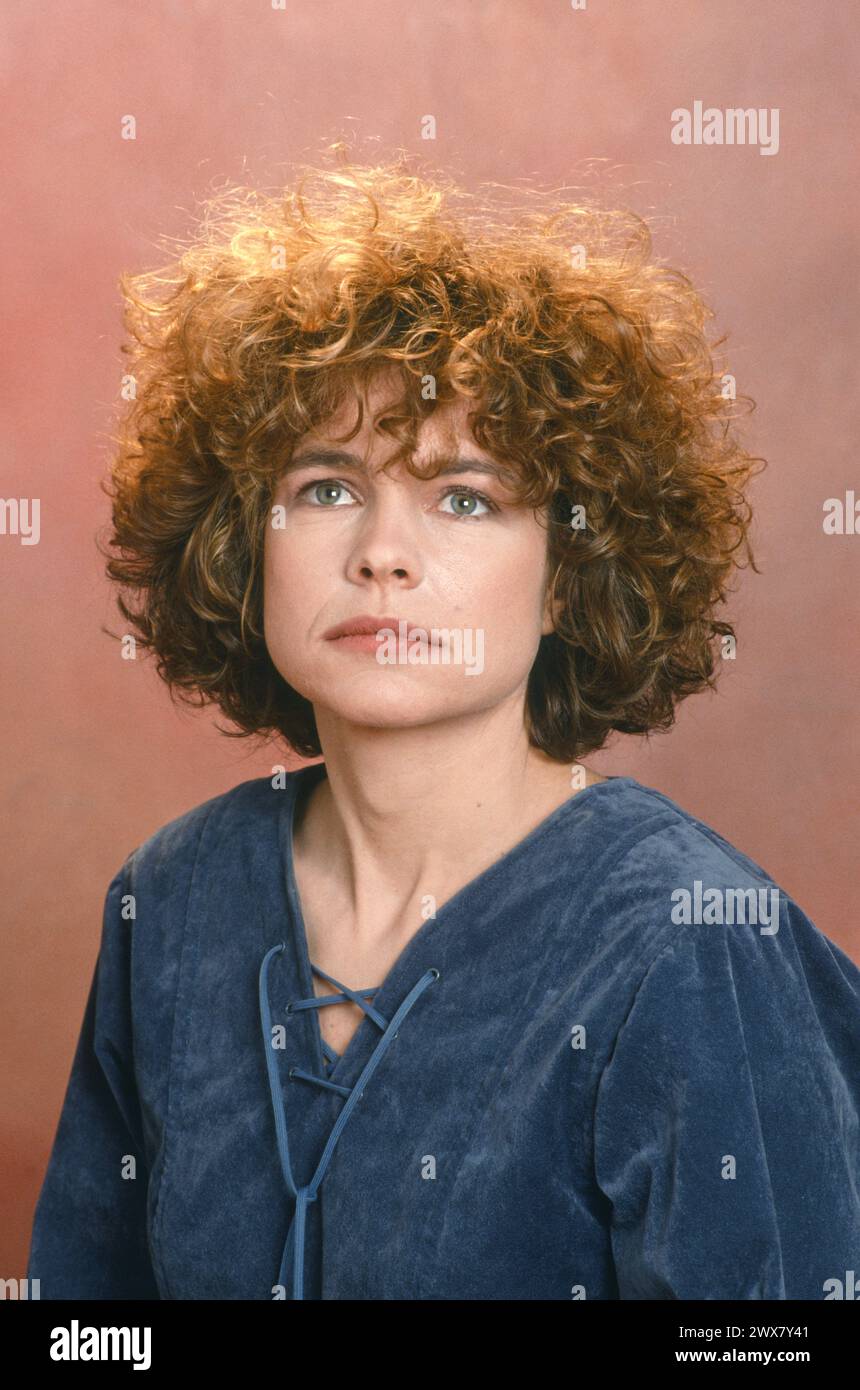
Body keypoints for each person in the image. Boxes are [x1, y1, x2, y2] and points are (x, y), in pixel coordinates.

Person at [27, 155, 860, 1300]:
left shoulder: (691, 942)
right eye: (325, 486)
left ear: (568, 574)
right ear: (239, 539)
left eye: (463, 497)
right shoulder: (169, 900)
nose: (381, 551)